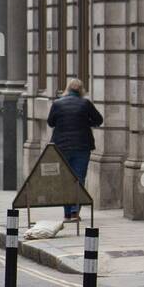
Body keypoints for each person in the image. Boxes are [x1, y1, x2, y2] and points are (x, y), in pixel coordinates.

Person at [47, 78, 103, 221]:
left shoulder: (58, 104)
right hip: (82, 146)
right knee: (78, 178)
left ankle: (66, 213)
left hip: (62, 147)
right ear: (81, 90)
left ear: (68, 88)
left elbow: (51, 122)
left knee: (65, 179)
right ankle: (74, 212)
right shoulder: (85, 104)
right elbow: (99, 120)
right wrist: (86, 122)